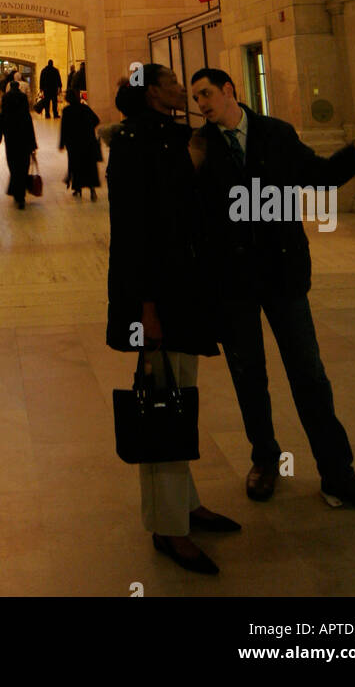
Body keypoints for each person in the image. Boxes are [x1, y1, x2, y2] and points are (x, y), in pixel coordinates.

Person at [190, 66, 355, 518]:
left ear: (229, 90)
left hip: (282, 274)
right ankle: (264, 459)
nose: (202, 104)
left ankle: (338, 471)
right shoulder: (201, 145)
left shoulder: (275, 133)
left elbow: (319, 177)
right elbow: (193, 213)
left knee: (309, 375)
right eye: (196, 98)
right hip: (233, 283)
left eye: (206, 93)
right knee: (249, 377)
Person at [106, 69, 235, 576]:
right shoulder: (136, 144)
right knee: (163, 403)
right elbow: (133, 231)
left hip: (183, 288)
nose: (184, 90)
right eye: (175, 83)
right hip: (158, 297)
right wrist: (147, 308)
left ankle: (186, 502)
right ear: (152, 92)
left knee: (179, 395)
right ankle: (168, 528)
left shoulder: (168, 135)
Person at [0, 80, 37, 210]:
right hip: (24, 140)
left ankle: (18, 194)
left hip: (11, 140)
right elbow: (29, 126)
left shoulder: (6, 106)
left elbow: (0, 124)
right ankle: (20, 195)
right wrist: (33, 144)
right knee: (23, 166)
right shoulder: (24, 106)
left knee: (14, 166)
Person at [59, 87, 102, 199]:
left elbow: (64, 129)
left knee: (75, 164)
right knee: (89, 165)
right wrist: (89, 129)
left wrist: (62, 143)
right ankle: (92, 189)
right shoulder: (85, 108)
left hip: (74, 143)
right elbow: (96, 120)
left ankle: (77, 188)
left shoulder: (67, 111)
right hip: (88, 141)